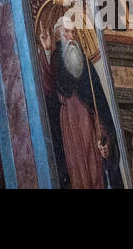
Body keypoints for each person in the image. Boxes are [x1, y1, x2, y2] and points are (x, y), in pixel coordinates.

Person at [37, 19, 121, 188]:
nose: (71, 37)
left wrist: (103, 135)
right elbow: (48, 87)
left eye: (73, 32)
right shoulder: (55, 58)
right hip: (68, 121)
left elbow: (99, 103)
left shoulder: (85, 63)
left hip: (87, 121)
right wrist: (46, 51)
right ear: (58, 34)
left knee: (95, 165)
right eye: (67, 32)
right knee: (76, 168)